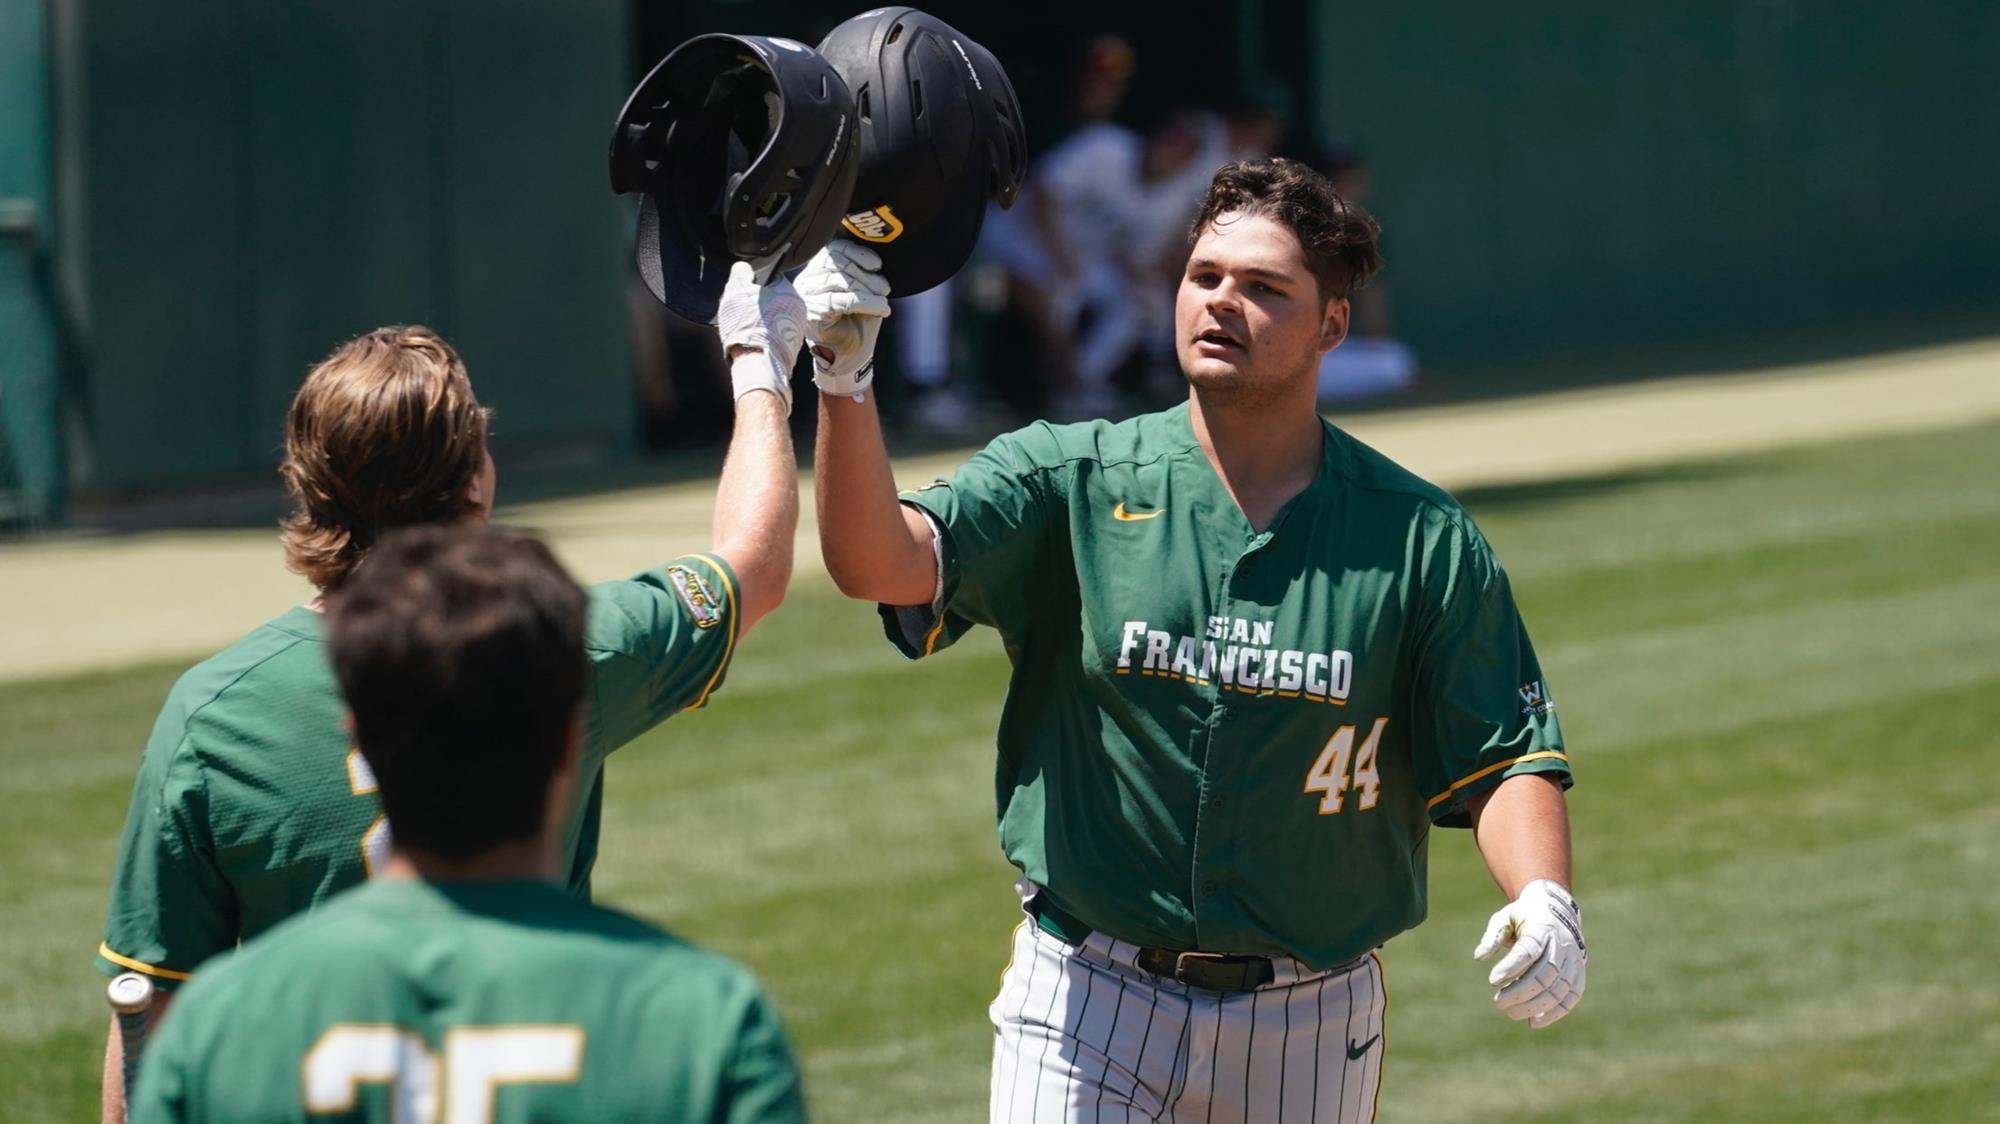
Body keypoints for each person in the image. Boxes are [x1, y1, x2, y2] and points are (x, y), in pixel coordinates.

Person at [803, 158, 1584, 1122]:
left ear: (1331, 325)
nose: (1222, 303)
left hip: (1311, 1021)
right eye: (1204, 277)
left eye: (1264, 288)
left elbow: (1506, 758)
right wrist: (844, 380)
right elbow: (878, 564)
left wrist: (1545, 896)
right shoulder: (1068, 479)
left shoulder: (1417, 538)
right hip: (1086, 1002)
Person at [96, 265, 809, 1120]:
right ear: (474, 481)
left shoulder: (210, 715)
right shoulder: (558, 648)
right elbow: (754, 563)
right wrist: (756, 364)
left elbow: (148, 1016)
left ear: (310, 483)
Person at [126, 524, 808, 1122]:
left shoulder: (217, 1032)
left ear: (359, 734)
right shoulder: (703, 1022)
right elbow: (752, 561)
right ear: (570, 740)